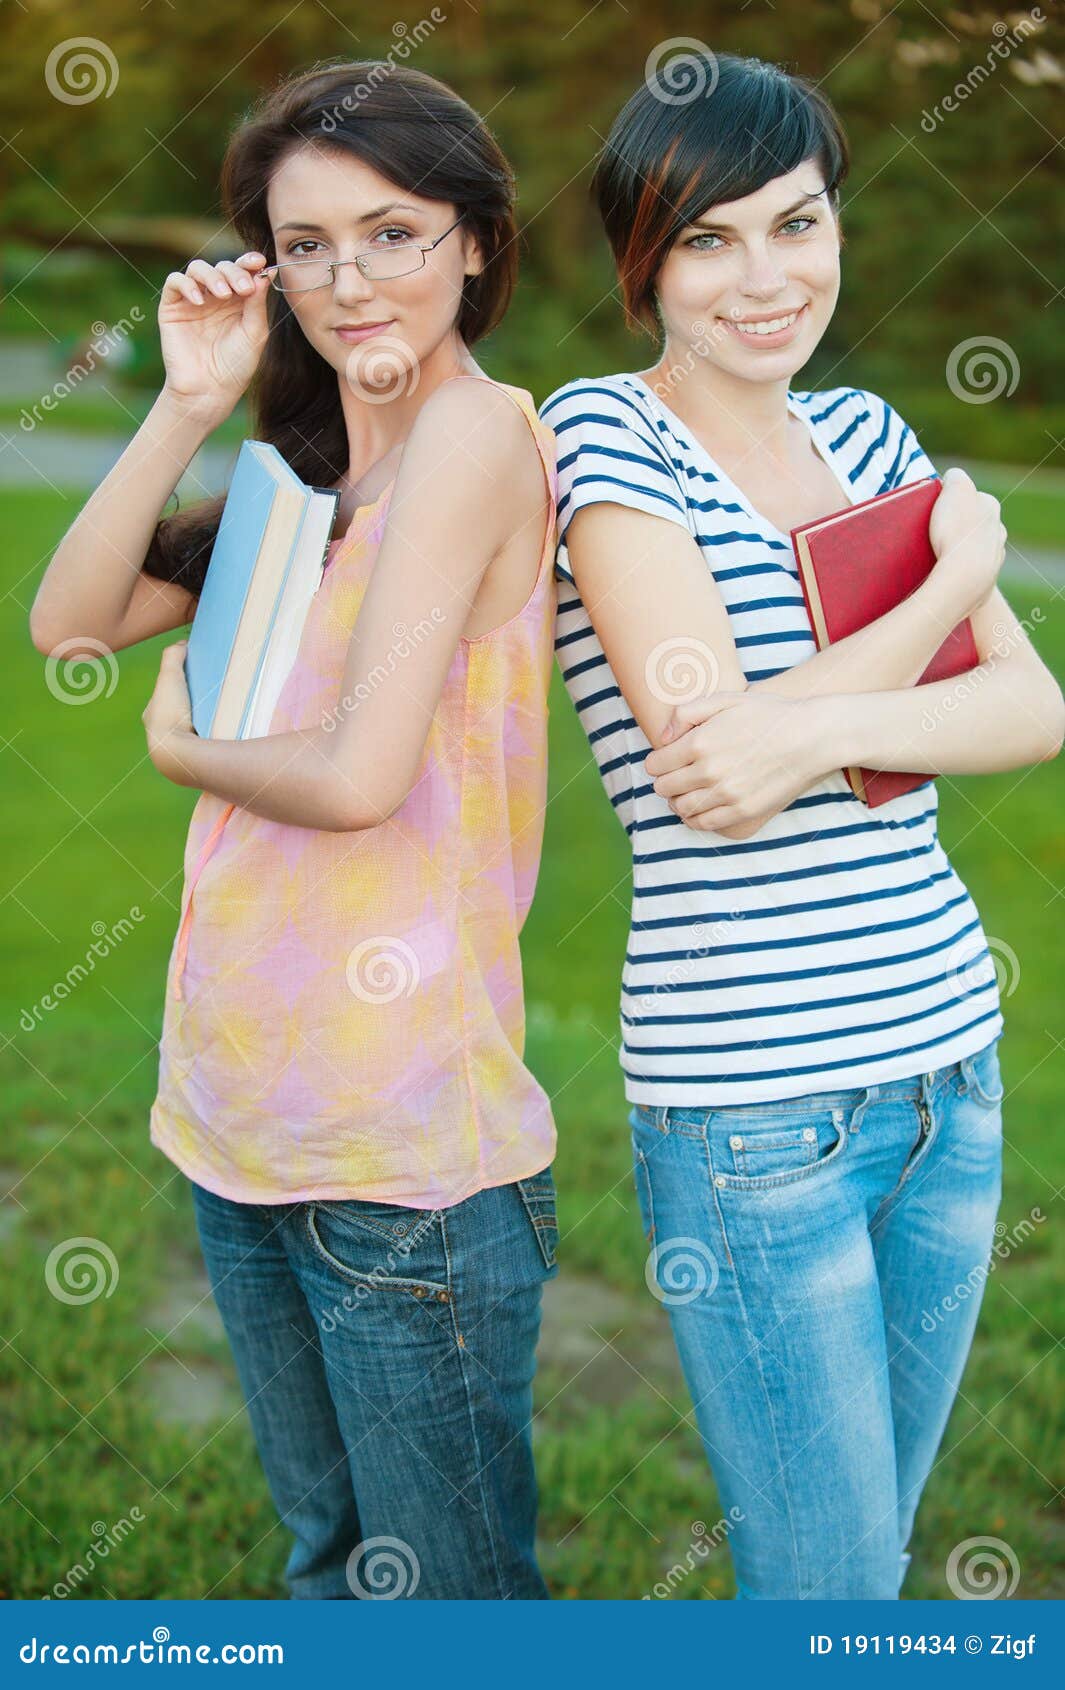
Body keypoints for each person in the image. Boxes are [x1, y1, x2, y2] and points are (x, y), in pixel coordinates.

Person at [30, 62, 561, 1601]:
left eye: (391, 234)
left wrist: (184, 744)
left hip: (403, 1146)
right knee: (334, 1563)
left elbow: (356, 775)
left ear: (473, 240)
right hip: (238, 1106)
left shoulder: (475, 438)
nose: (348, 280)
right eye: (306, 243)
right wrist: (190, 399)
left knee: (448, 1596)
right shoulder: (303, 473)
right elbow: (69, 619)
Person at [538, 51, 1063, 1599]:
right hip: (754, 1107)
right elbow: (711, 767)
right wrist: (956, 585)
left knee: (865, 1572)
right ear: (642, 259)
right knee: (824, 1596)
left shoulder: (868, 436)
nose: (763, 278)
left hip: (948, 1067)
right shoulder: (603, 439)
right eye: (707, 239)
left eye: (797, 224)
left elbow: (1029, 717)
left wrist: (813, 724)